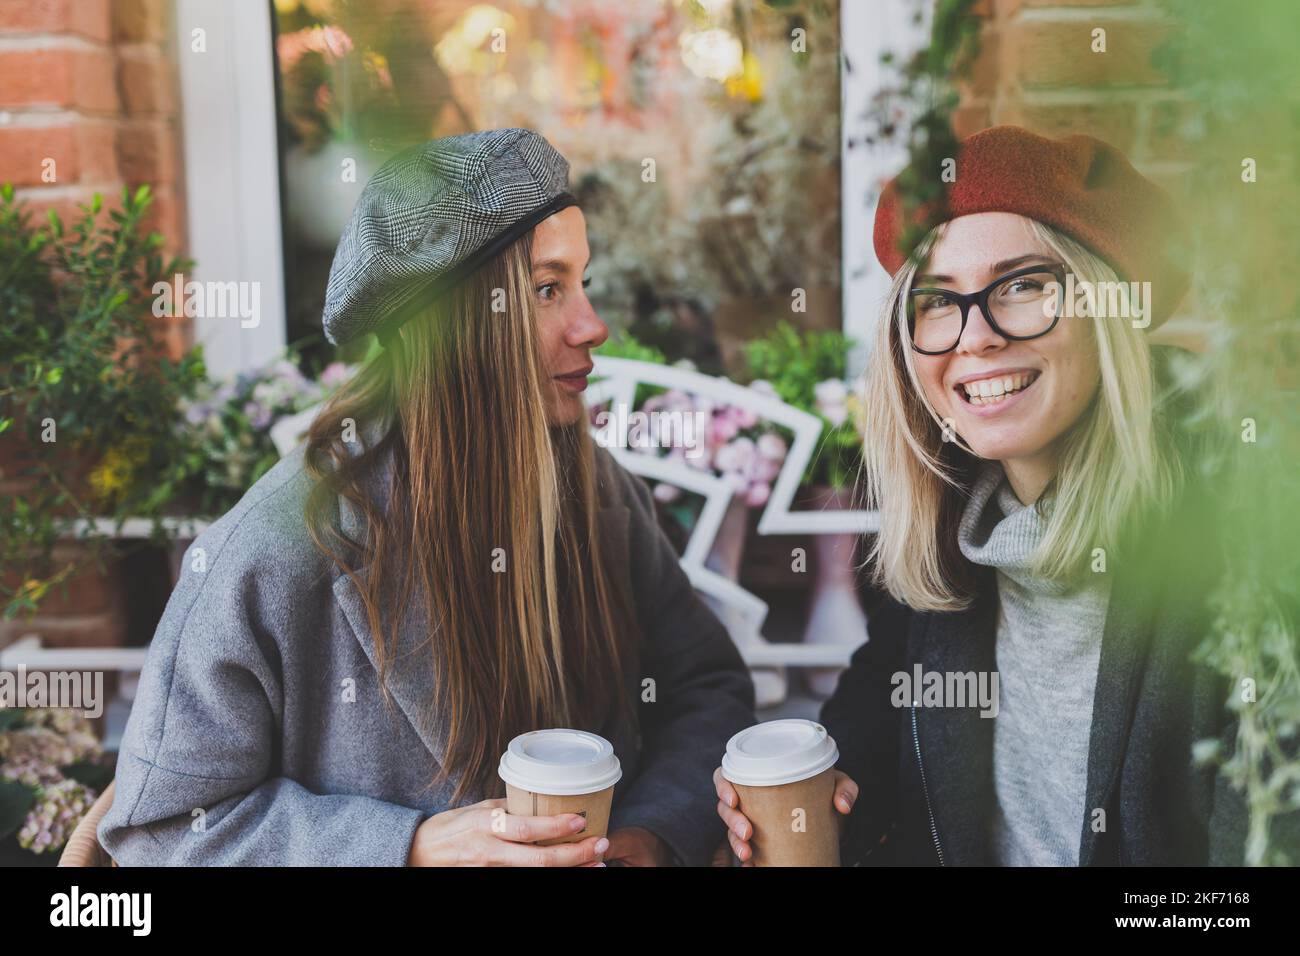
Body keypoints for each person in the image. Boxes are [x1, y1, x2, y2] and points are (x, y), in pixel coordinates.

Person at [99, 128, 755, 867]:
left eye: (584, 283)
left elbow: (707, 687)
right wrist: (404, 851)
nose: (592, 326)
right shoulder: (277, 549)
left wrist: (652, 832)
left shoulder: (595, 491)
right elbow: (158, 829)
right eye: (547, 289)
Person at [717, 125, 1264, 865]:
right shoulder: (947, 521)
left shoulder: (1245, 531)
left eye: (1023, 286)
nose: (975, 338)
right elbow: (889, 691)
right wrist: (829, 786)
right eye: (938, 301)